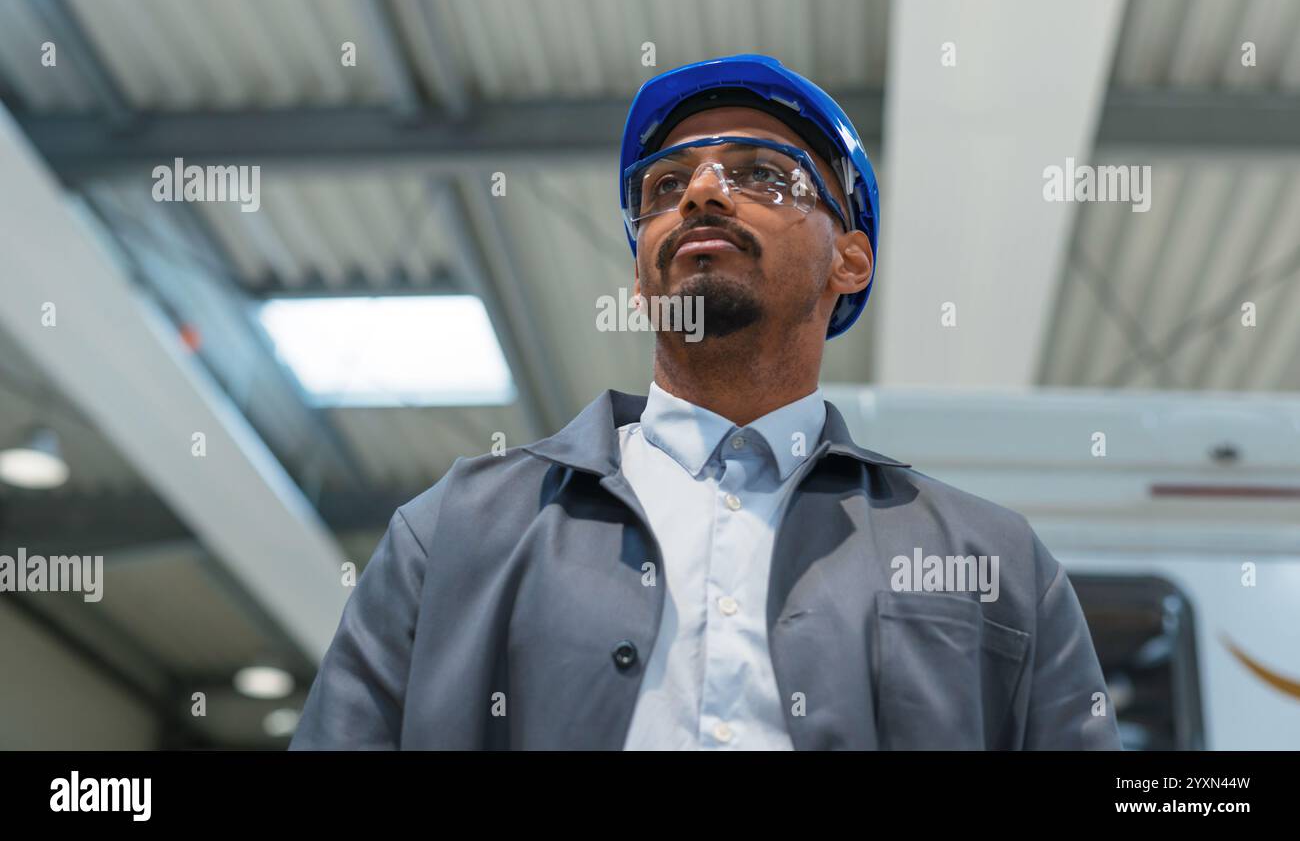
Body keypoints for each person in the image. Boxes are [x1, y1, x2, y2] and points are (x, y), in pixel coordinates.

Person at [290, 54, 1121, 750]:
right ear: (642, 269)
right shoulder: (452, 534)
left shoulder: (999, 563)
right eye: (665, 185)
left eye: (762, 174)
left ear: (852, 259)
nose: (700, 194)